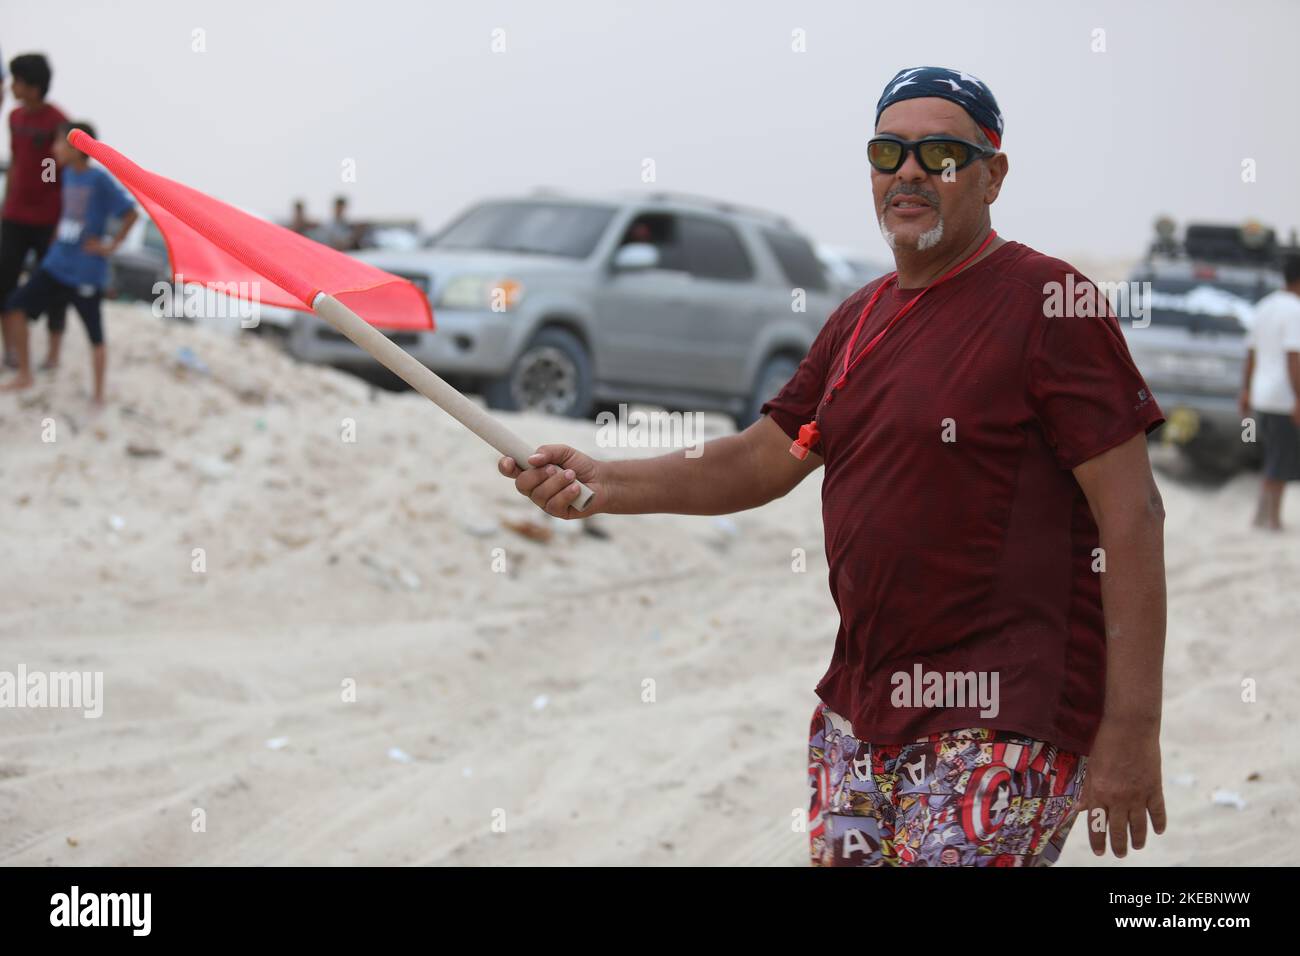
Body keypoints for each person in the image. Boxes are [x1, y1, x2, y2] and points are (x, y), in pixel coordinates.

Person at [497, 66, 1169, 867]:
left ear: (992, 174)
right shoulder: (859, 318)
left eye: (941, 154)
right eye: (889, 151)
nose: (911, 172)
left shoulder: (1051, 304)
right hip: (858, 719)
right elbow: (761, 460)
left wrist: (1131, 729)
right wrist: (602, 483)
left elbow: (1132, 518)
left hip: (1001, 721)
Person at [1, 121, 137, 404]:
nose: (55, 148)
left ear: (78, 147)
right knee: (14, 308)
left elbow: (130, 212)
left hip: (86, 272)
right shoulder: (65, 174)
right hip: (56, 264)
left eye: (60, 142)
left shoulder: (98, 180)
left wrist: (111, 245)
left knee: (95, 336)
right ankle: (25, 375)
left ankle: (98, 396)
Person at [0, 53, 67, 368]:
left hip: (46, 219)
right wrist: (8, 200)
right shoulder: (14, 118)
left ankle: (52, 355)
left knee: (54, 284)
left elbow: (56, 170)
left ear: (34, 86)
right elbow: (14, 161)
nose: (12, 86)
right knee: (4, 280)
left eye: (18, 81)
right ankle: (11, 351)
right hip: (13, 215)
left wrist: (45, 176)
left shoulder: (58, 122)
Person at [1240, 252, 1300, 530]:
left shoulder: (1265, 306)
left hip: (1262, 397)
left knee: (1272, 458)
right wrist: (1298, 399)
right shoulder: (1295, 310)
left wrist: (1245, 391)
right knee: (1280, 462)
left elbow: (1250, 354)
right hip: (1283, 399)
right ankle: (1270, 520)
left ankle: (1261, 517)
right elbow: (1294, 359)